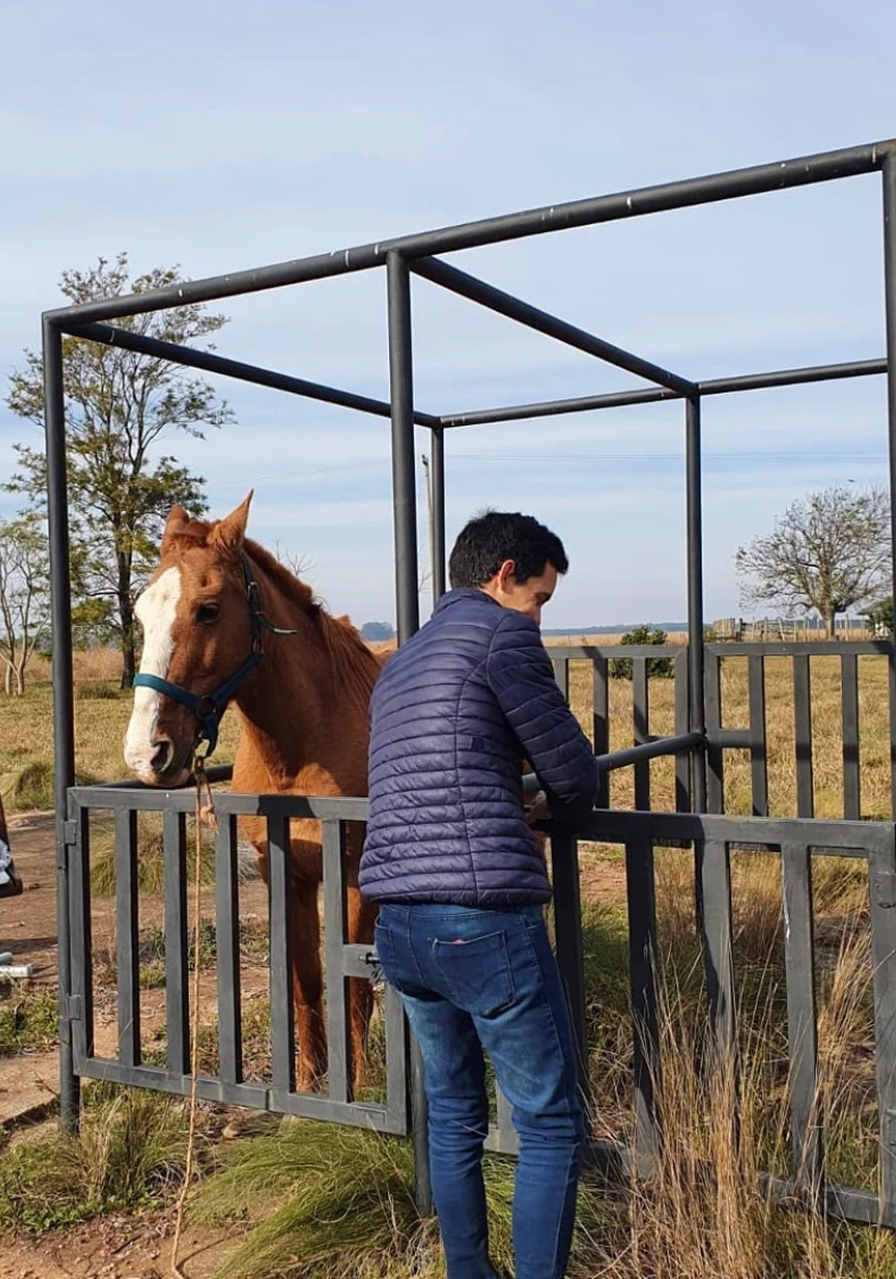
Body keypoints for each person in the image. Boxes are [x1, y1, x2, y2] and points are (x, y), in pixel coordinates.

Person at [360, 510, 598, 1279]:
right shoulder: (503, 637)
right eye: (540, 597)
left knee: (456, 1110)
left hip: (398, 922)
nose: (539, 615)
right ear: (503, 576)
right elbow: (572, 777)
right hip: (481, 917)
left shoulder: (399, 662)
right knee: (551, 1121)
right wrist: (540, 795)